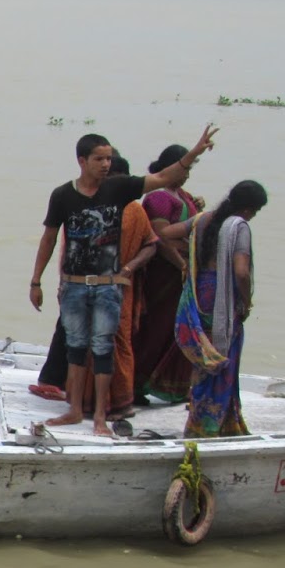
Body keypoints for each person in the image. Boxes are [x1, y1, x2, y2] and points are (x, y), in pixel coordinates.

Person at [30, 125, 216, 436]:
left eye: (108, 159)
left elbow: (162, 179)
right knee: (76, 350)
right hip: (75, 284)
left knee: (103, 351)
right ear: (82, 160)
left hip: (107, 284)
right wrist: (36, 281)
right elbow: (48, 238)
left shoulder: (118, 190)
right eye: (99, 159)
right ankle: (74, 411)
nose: (105, 164)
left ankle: (101, 417)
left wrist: (194, 153)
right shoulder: (62, 195)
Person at [76, 155, 159, 419]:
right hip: (92, 285)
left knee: (114, 343)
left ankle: (117, 404)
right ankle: (89, 404)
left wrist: (128, 268)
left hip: (117, 286)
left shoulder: (134, 210)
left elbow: (151, 244)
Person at [183, 180, 266, 437]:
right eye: (256, 211)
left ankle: (199, 421)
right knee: (223, 355)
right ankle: (213, 425)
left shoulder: (204, 220)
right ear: (249, 209)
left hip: (202, 293)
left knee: (206, 355)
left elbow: (165, 233)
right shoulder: (238, 226)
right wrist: (247, 299)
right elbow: (240, 271)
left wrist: (184, 258)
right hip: (224, 297)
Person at [136, 144, 203, 404]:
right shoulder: (158, 197)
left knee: (176, 330)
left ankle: (171, 384)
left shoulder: (181, 194)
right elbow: (161, 239)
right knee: (156, 328)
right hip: (165, 274)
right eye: (184, 168)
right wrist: (181, 264)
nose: (187, 174)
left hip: (182, 274)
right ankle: (138, 384)